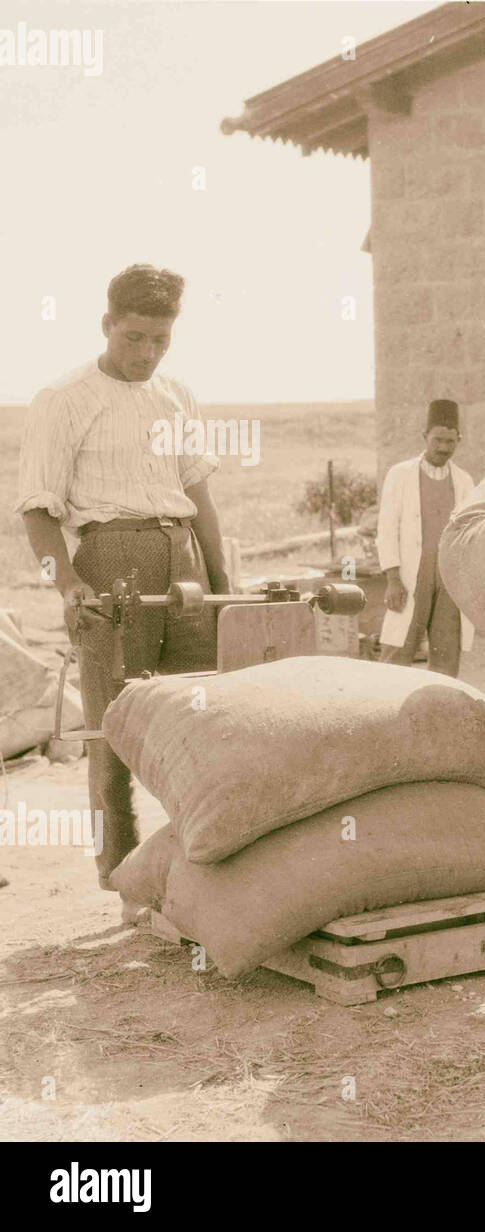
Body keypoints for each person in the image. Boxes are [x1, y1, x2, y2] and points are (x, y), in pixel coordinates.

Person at [16, 264, 229, 913]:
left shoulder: (177, 396)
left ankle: (202, 860)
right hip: (112, 559)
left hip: (183, 556)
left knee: (200, 716)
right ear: (107, 325)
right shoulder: (64, 398)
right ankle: (123, 879)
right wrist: (68, 587)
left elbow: (199, 494)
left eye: (160, 341)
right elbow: (36, 512)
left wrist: (223, 585)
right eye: (134, 337)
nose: (146, 353)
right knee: (117, 726)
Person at [375, 399, 474, 674]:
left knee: (446, 654)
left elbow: (469, 533)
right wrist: (393, 579)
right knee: (397, 652)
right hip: (410, 576)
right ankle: (384, 710)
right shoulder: (400, 475)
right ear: (425, 438)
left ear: (459, 440)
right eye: (438, 440)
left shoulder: (464, 480)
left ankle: (439, 714)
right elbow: (386, 529)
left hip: (448, 581)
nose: (444, 447)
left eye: (451, 441)